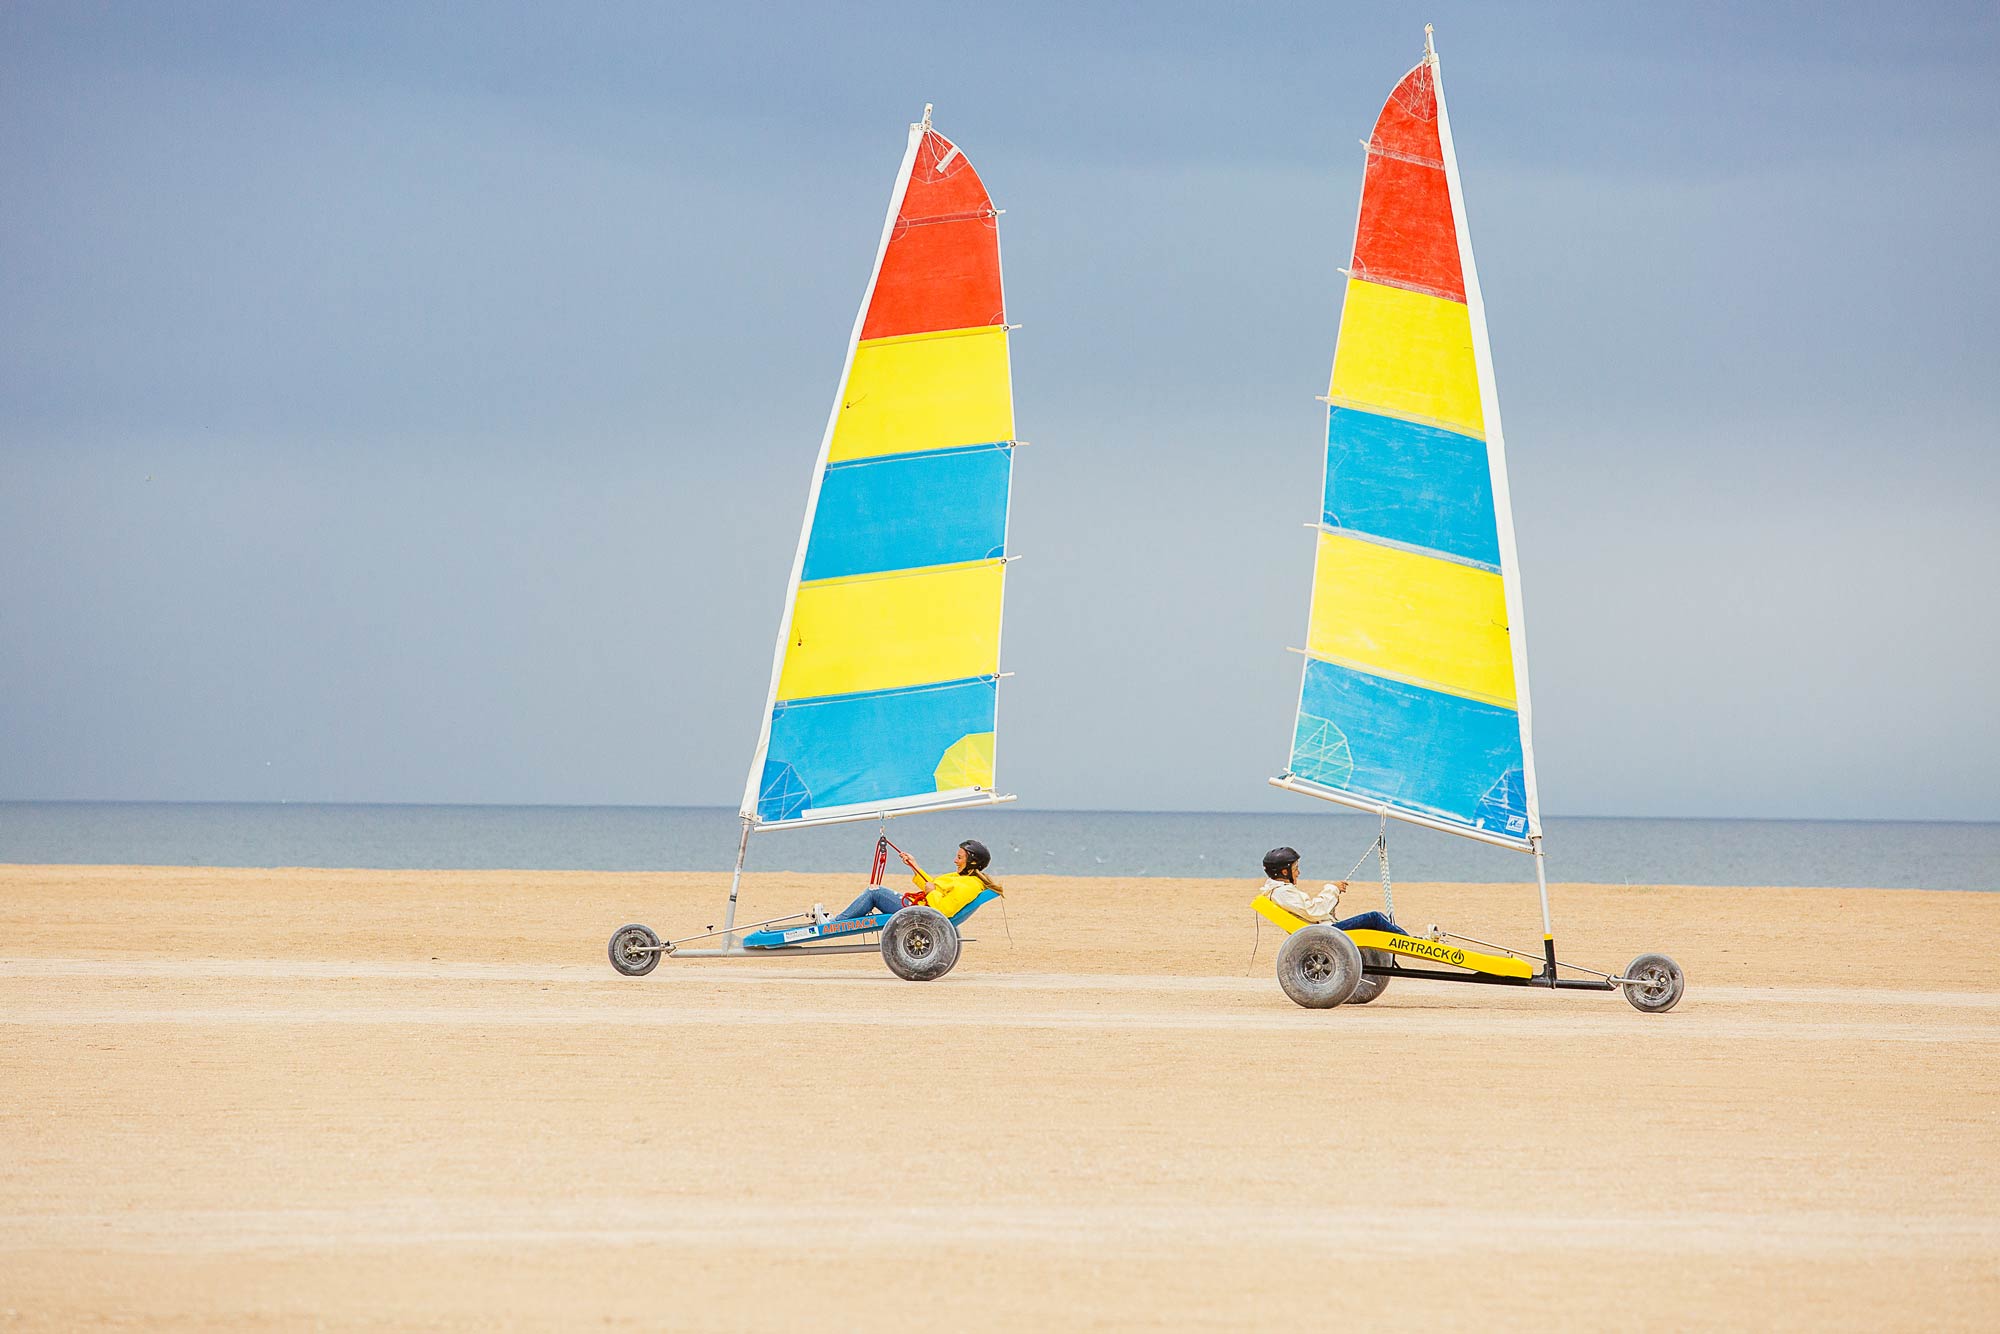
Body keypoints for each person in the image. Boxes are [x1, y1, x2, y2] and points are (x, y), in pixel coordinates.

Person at [1258, 846, 1441, 940]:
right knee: (1374, 917)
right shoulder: (1282, 893)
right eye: (1296, 868)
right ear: (1284, 872)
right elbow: (1314, 911)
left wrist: (1333, 890)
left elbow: (1310, 911)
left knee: (1379, 919)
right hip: (1324, 932)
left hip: (1322, 928)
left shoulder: (1280, 891)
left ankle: (1410, 940)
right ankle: (1413, 943)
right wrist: (1332, 889)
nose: (1299, 872)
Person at [813, 839, 1004, 925]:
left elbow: (944, 910)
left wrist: (931, 892)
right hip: (920, 907)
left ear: (972, 861)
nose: (955, 860)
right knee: (875, 891)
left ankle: (833, 923)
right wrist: (914, 865)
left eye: (960, 857)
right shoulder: (963, 878)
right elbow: (931, 885)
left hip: (921, 912)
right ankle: (836, 920)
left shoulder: (969, 885)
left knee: (874, 891)